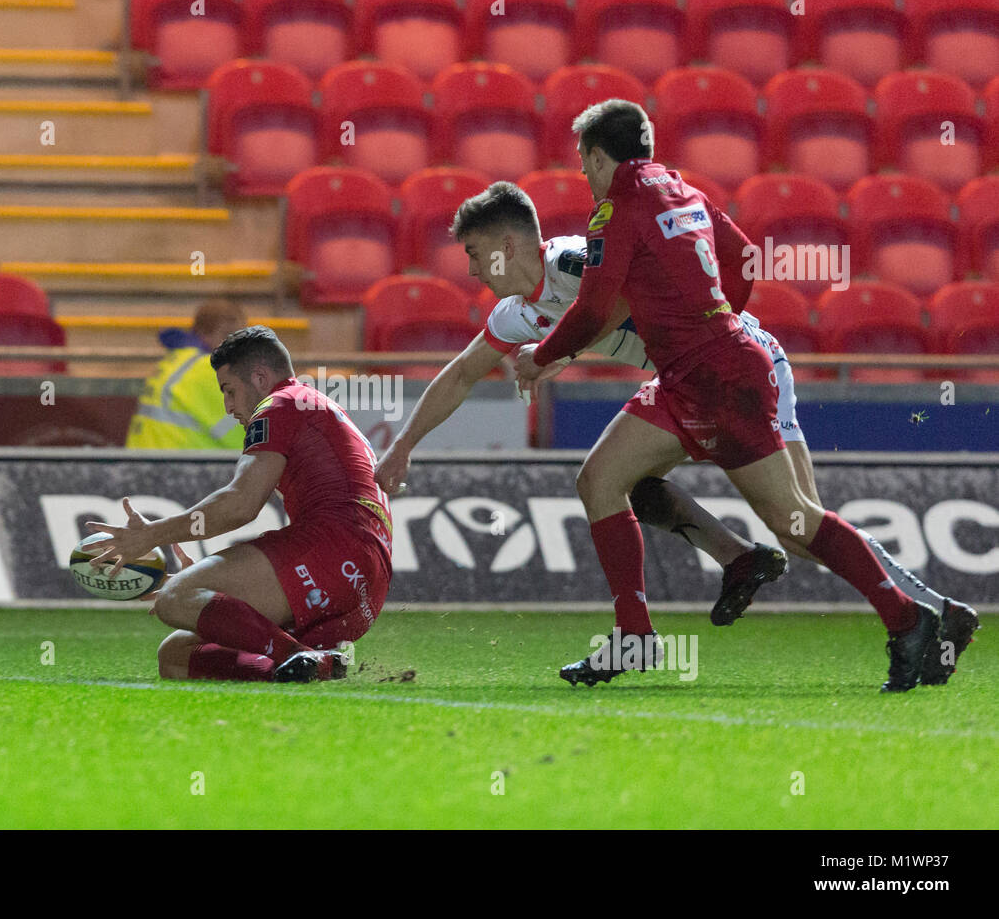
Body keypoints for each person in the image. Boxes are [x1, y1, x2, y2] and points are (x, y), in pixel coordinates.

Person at [373, 181, 975, 685]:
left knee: (796, 525)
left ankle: (922, 614)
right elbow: (458, 377)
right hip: (681, 380)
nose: (471, 268)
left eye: (476, 253)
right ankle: (656, 619)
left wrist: (558, 352)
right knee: (606, 481)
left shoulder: (571, 260)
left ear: (510, 244)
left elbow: (630, 295)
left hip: (737, 362)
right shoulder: (516, 314)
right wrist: (402, 446)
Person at [513, 99, 974, 692]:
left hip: (717, 378)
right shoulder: (687, 194)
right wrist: (711, 317)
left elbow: (595, 308)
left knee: (796, 520)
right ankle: (636, 638)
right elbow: (741, 261)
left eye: (584, 162)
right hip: (697, 371)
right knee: (600, 479)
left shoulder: (617, 210)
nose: (583, 175)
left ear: (600, 156)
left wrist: (543, 356)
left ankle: (909, 620)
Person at [88, 326, 394, 683]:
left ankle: (301, 657)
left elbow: (240, 504)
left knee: (175, 597)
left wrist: (150, 536)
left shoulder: (279, 405)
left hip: (335, 552)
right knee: (176, 657)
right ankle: (301, 668)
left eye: (229, 391)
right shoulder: (309, 404)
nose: (228, 406)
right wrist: (216, 593)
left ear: (261, 378)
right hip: (364, 589)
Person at [125, 299, 248, 450]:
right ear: (204, 335)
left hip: (145, 463)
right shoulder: (207, 369)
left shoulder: (178, 359)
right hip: (178, 468)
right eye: (228, 335)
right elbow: (245, 437)